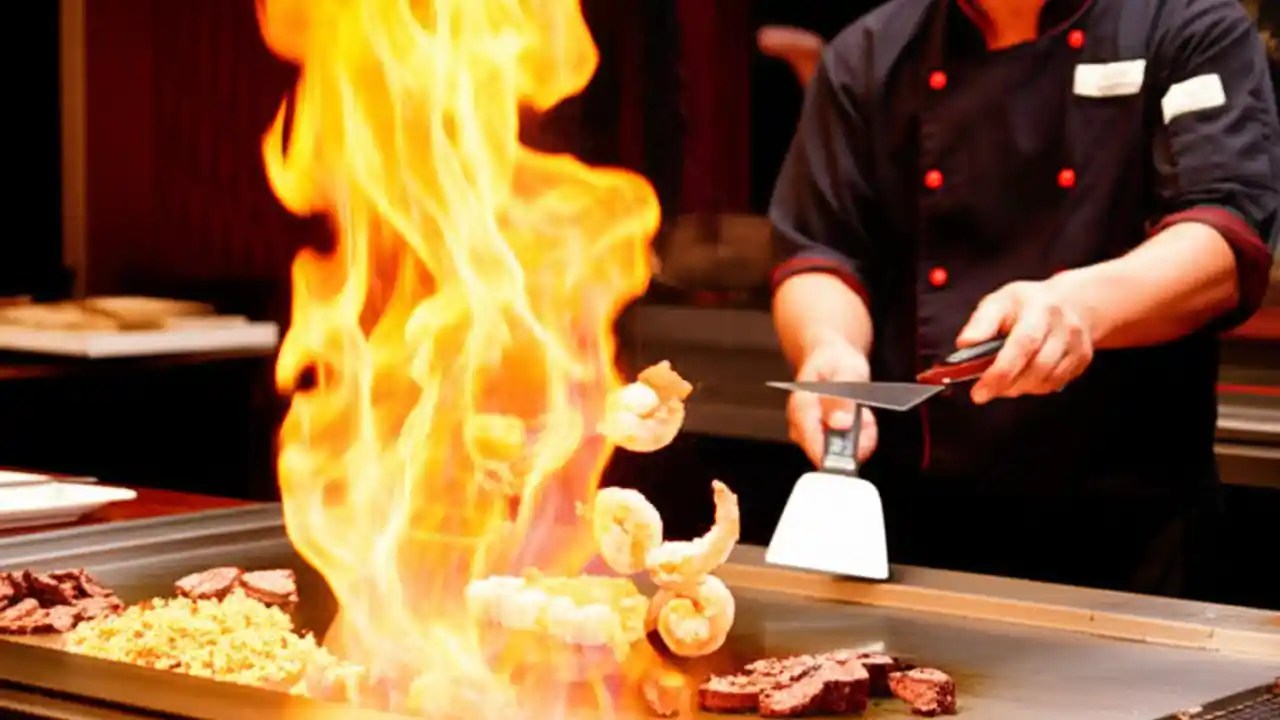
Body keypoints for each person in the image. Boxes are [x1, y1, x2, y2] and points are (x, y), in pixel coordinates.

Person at [769, 0, 1280, 599]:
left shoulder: (1186, 24)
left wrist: (1082, 307)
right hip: (913, 528)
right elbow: (821, 250)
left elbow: (1224, 234)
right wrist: (828, 347)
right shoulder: (868, 52)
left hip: (1128, 527)